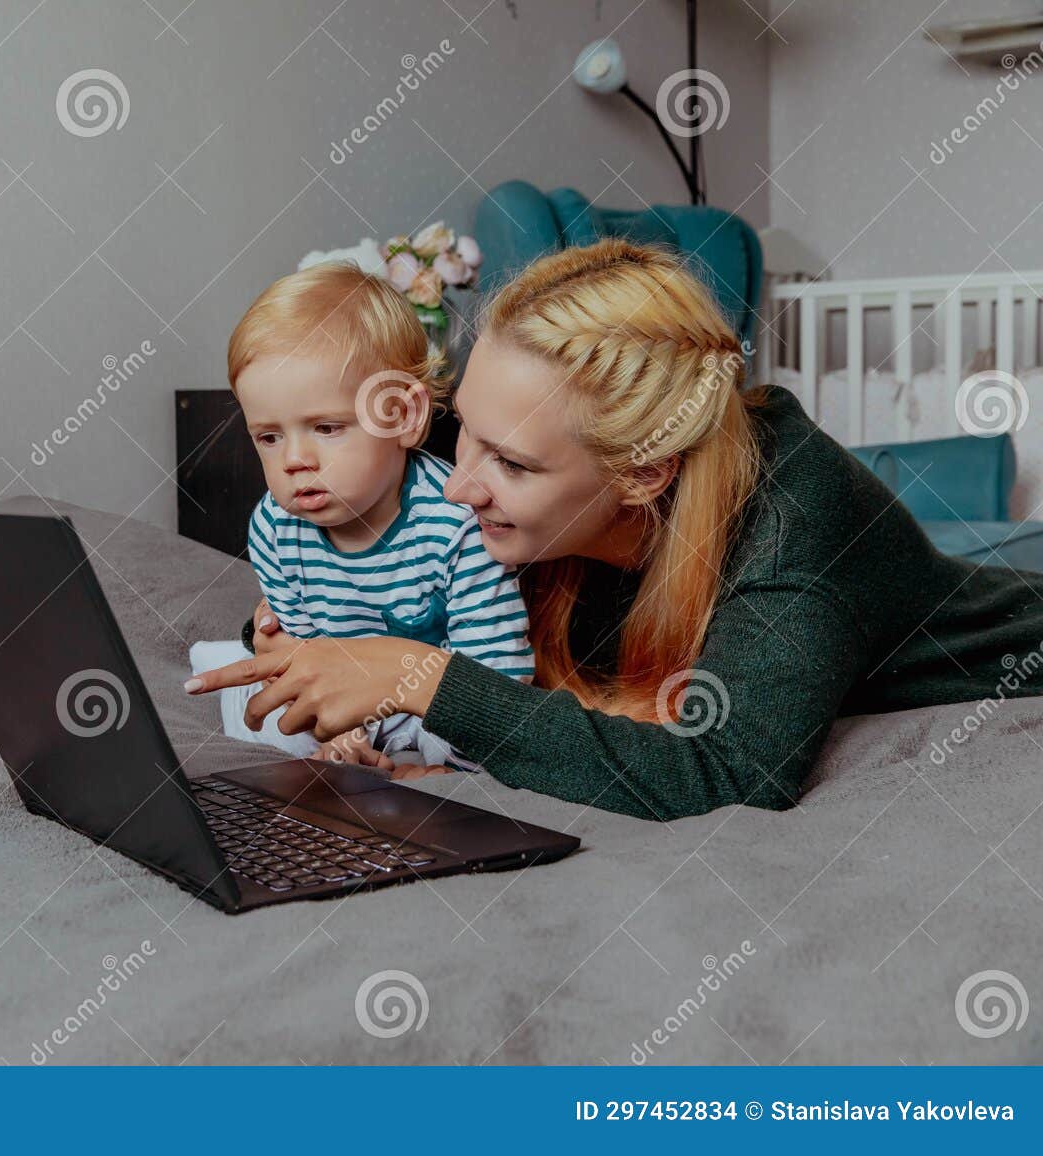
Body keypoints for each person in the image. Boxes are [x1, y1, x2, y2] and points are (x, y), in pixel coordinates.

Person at [185, 237, 1043, 820]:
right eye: (463, 434)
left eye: (512, 467)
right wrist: (296, 645)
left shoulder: (797, 533)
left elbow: (727, 771)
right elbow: (366, 559)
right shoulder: (497, 452)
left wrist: (417, 675)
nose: (459, 488)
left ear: (642, 473)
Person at [187, 261, 533, 771]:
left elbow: (497, 670)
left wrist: (441, 756)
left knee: (483, 740)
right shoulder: (274, 528)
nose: (294, 460)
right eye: (269, 437)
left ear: (403, 417)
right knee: (255, 708)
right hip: (339, 687)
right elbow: (301, 652)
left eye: (326, 428)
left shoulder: (456, 519)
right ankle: (348, 756)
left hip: (437, 694)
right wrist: (343, 730)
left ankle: (426, 770)